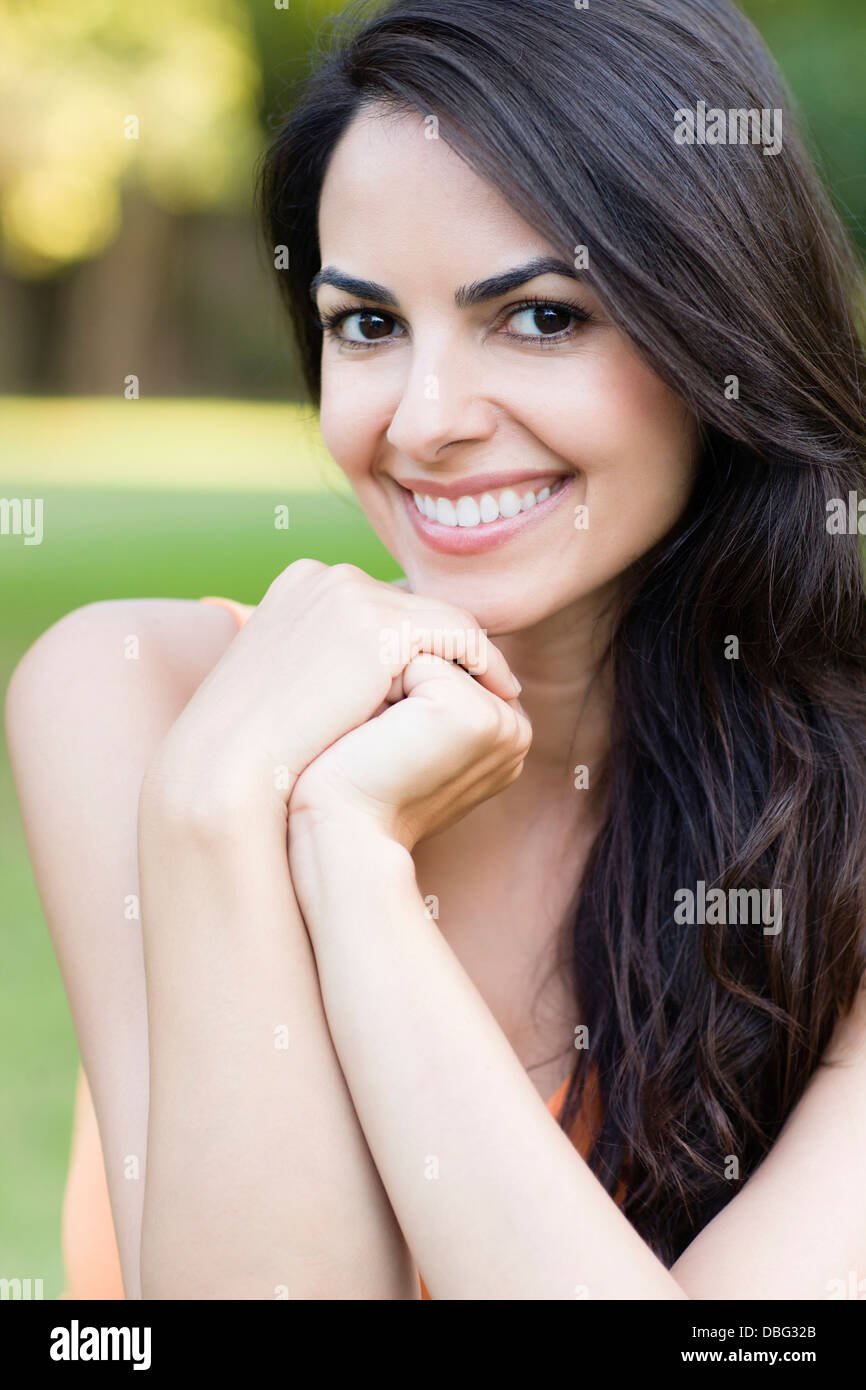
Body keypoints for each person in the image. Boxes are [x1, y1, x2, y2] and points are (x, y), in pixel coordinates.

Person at [7, 0, 866, 1300]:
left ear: (715, 334)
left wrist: (346, 854)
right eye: (367, 325)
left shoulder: (838, 808)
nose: (424, 421)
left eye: (537, 317)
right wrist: (215, 802)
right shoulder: (139, 693)